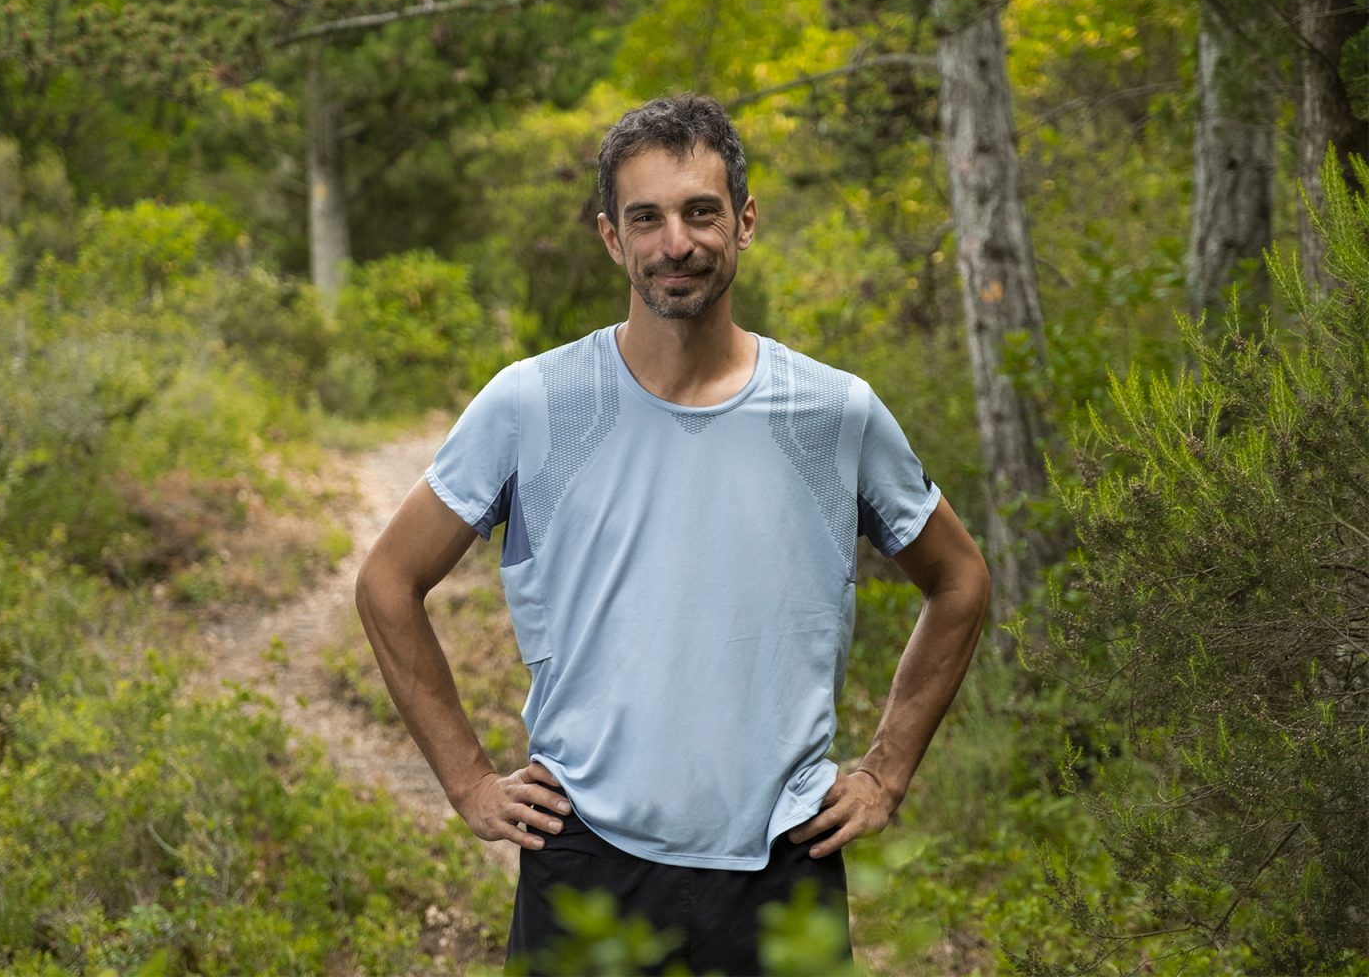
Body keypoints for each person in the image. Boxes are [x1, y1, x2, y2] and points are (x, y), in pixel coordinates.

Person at [355, 94, 991, 975]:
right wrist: (468, 782)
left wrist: (885, 772)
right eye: (646, 218)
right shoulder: (531, 404)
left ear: (745, 220)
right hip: (587, 857)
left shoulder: (834, 413)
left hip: (782, 863)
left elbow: (960, 581)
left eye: (701, 212)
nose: (676, 243)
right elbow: (386, 583)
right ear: (612, 237)